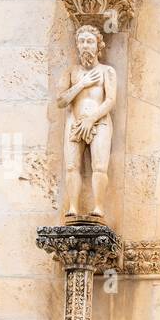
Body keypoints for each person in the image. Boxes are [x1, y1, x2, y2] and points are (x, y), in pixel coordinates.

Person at [57, 24, 116, 222]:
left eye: (90, 41)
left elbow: (110, 100)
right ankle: (73, 206)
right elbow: (61, 100)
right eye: (81, 41)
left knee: (99, 166)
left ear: (98, 45)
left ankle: (98, 206)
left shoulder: (107, 71)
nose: (85, 45)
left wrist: (92, 119)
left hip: (99, 122)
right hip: (75, 121)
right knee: (72, 166)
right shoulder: (72, 72)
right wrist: (81, 84)